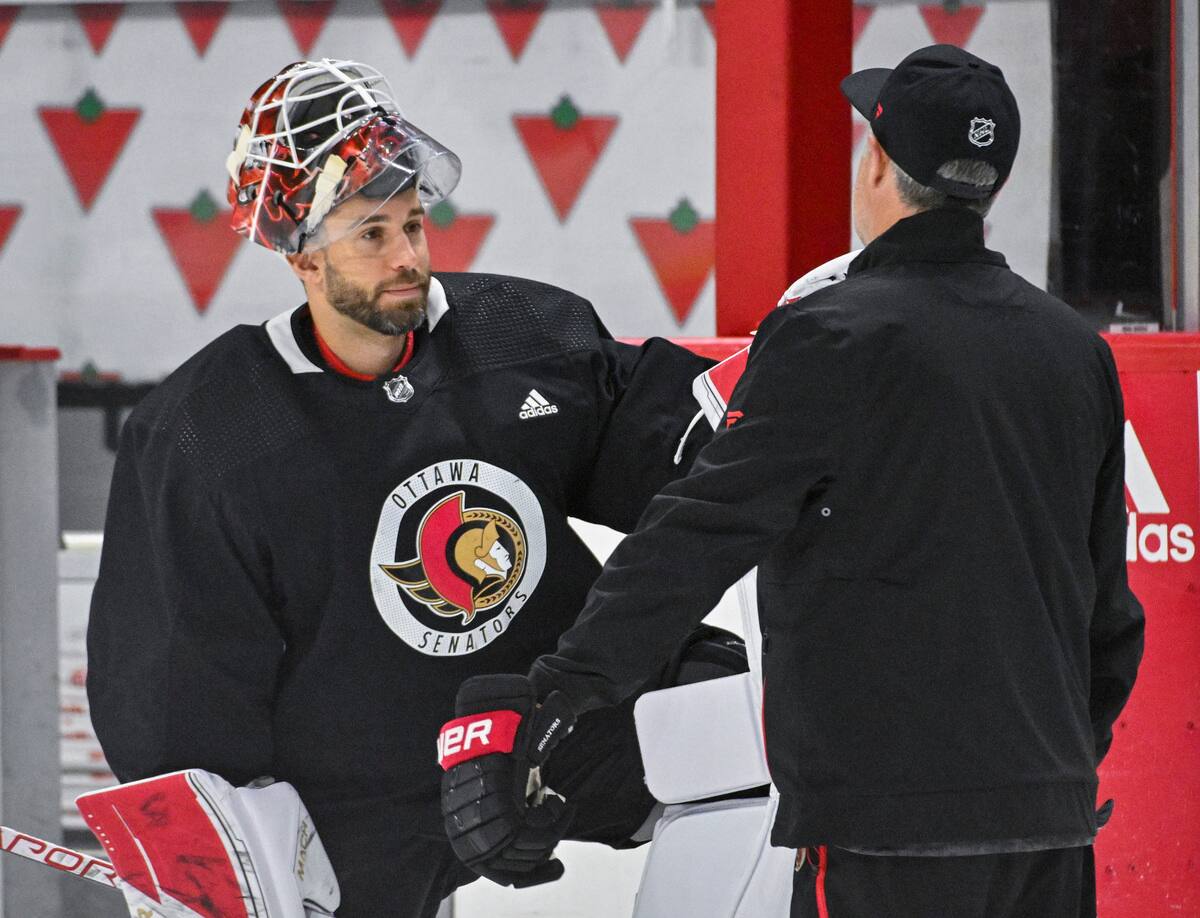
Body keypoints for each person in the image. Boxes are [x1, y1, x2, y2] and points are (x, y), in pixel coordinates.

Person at [445, 45, 1146, 917]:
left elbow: (695, 536)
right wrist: (1053, 766)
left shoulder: (829, 338)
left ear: (878, 165)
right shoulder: (1075, 352)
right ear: (988, 185)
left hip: (882, 831)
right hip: (1047, 827)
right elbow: (1110, 617)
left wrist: (559, 696)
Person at [85, 58, 729, 917]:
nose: (409, 257)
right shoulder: (205, 435)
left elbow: (705, 457)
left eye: (414, 223)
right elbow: (173, 704)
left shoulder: (519, 336)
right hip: (350, 802)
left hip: (540, 731)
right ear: (300, 254)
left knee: (749, 740)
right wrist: (227, 862)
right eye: (371, 234)